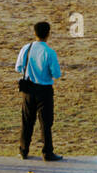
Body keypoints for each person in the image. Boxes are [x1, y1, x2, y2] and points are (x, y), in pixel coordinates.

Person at [15, 21, 63, 162]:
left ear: (34, 33)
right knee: (46, 122)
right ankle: (47, 152)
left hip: (28, 89)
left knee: (27, 121)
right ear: (48, 34)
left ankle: (23, 150)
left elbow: (18, 67)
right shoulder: (49, 52)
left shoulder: (26, 48)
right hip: (44, 90)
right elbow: (56, 74)